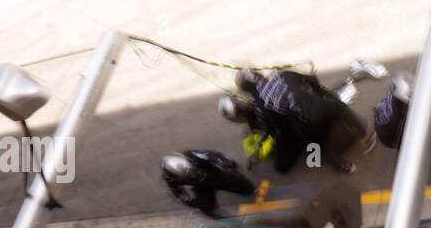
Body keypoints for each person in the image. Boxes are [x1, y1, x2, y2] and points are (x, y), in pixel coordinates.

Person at [220, 67, 372, 174]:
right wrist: (317, 95)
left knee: (314, 146)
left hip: (311, 124)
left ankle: (342, 165)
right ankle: (364, 134)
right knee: (340, 107)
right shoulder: (282, 75)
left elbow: (282, 128)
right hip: (325, 105)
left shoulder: (262, 105)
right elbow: (311, 80)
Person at [159, 150, 256, 219]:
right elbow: (179, 193)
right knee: (208, 210)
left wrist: (225, 163)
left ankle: (245, 187)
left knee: (248, 188)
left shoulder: (192, 155)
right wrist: (192, 202)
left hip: (215, 175)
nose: (193, 174)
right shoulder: (170, 178)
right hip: (201, 187)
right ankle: (222, 216)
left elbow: (212, 156)